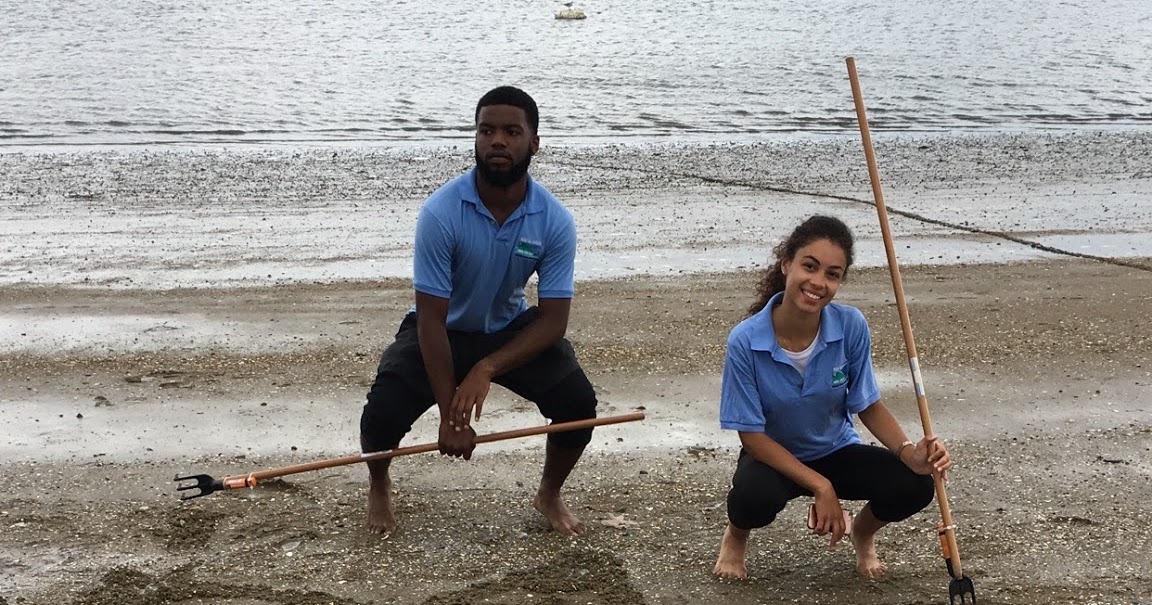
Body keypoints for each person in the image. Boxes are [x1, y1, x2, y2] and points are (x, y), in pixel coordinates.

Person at [359, 86, 597, 537]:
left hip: (508, 329)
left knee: (578, 404)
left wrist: (486, 367)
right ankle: (379, 484)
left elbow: (553, 321)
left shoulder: (554, 219)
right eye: (486, 131)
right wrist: (452, 416)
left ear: (534, 143)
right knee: (381, 414)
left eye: (512, 131)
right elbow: (429, 319)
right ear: (475, 139)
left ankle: (548, 493)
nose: (498, 141)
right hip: (441, 330)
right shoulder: (441, 212)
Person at [712, 215, 953, 580]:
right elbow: (751, 435)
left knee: (916, 483)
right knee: (752, 495)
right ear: (786, 264)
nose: (818, 282)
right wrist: (821, 487)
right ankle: (736, 536)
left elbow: (867, 404)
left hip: (835, 450)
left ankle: (863, 533)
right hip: (776, 458)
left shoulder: (850, 325)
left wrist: (909, 451)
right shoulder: (745, 340)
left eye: (832, 274)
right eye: (810, 266)